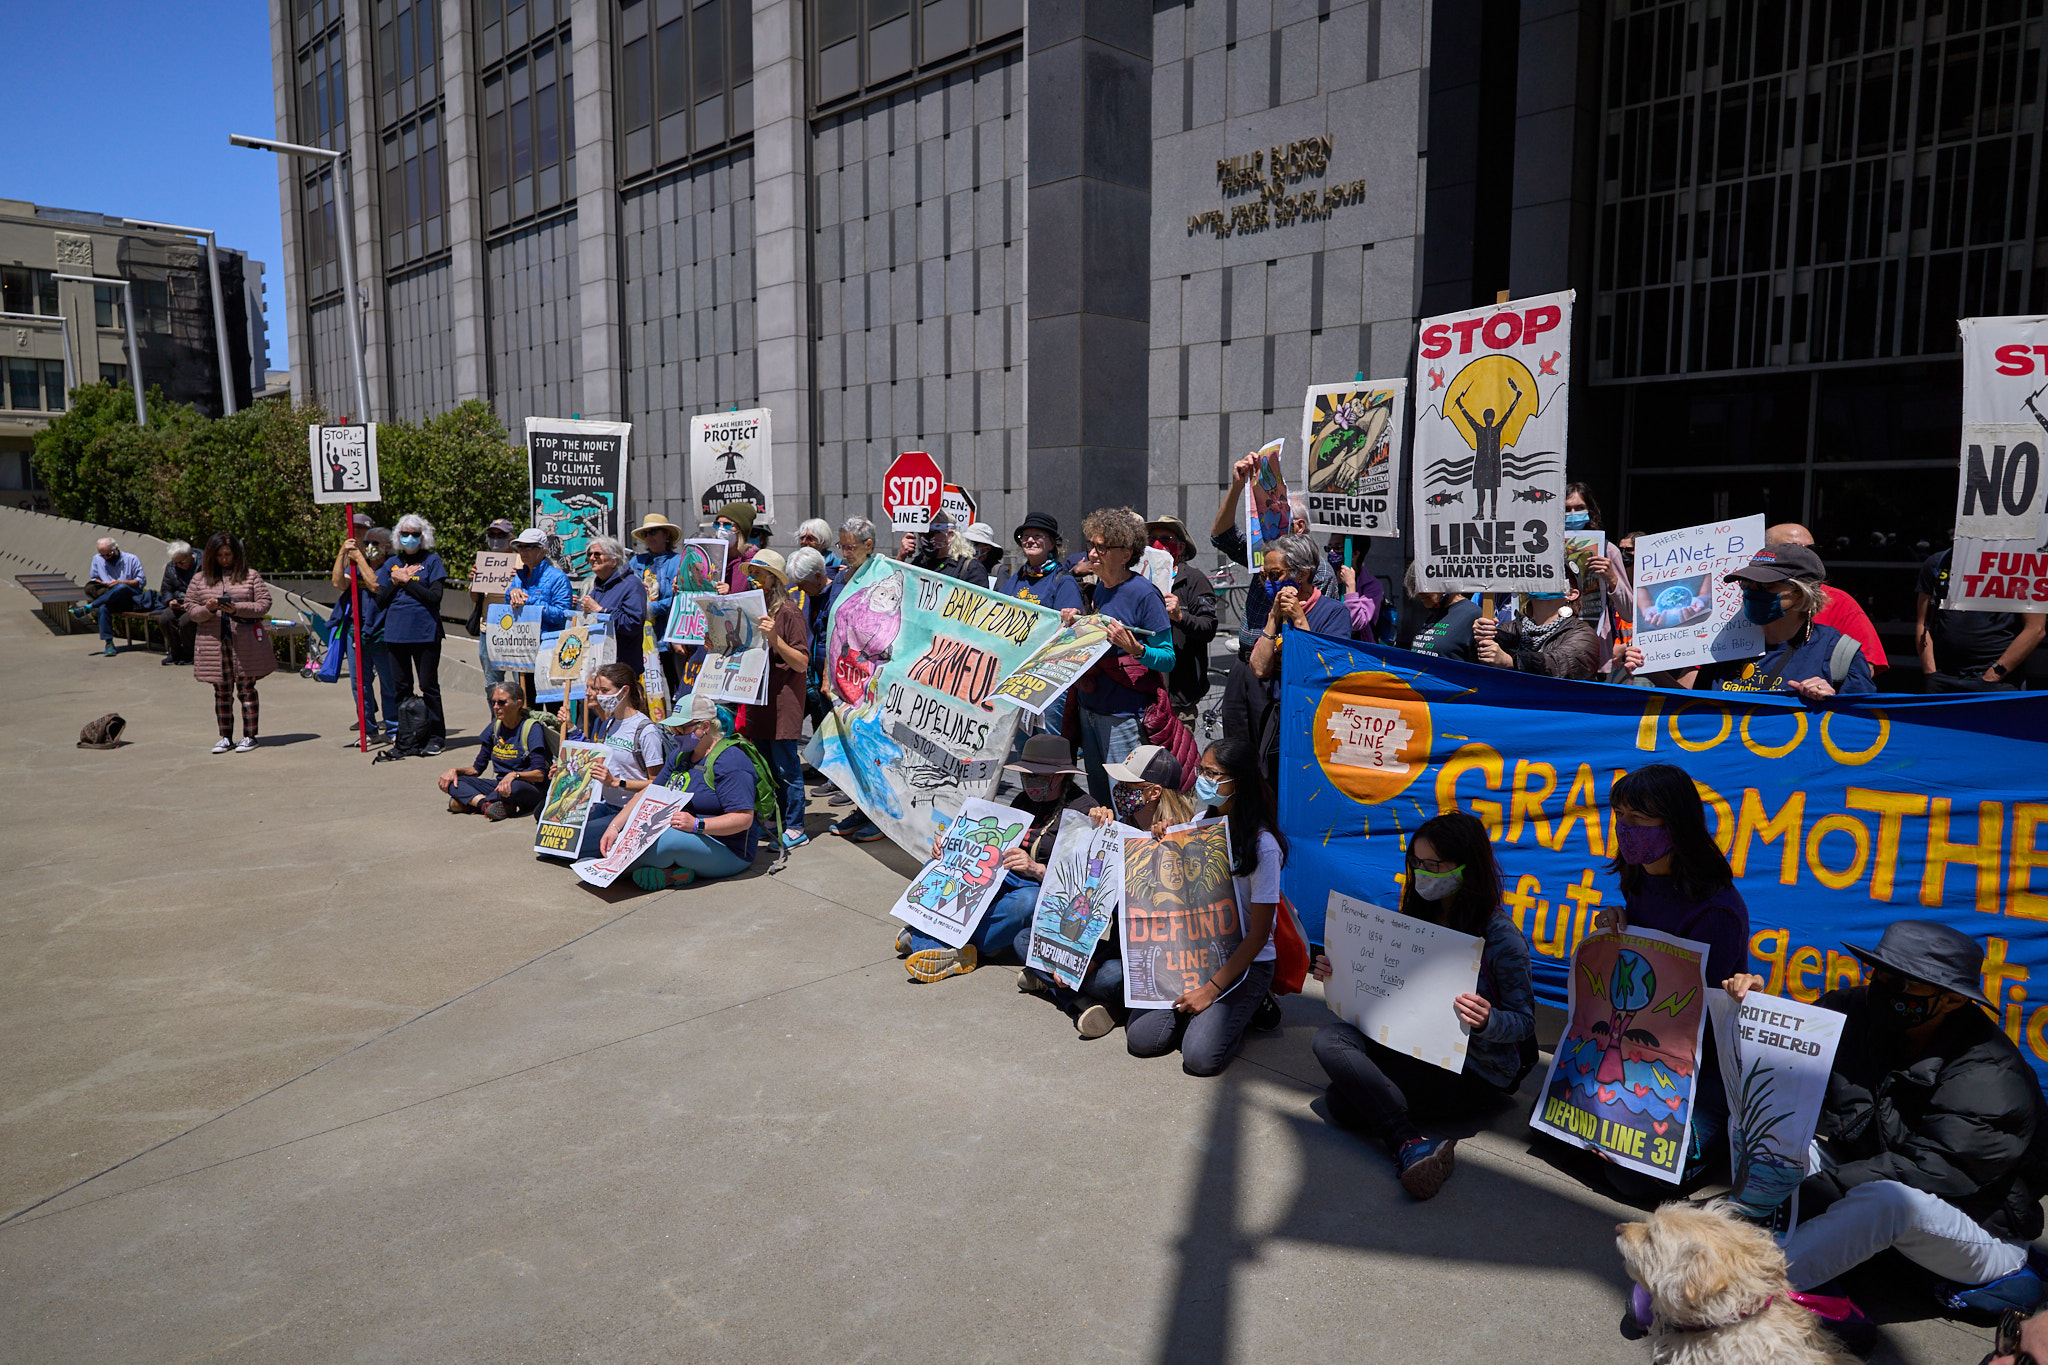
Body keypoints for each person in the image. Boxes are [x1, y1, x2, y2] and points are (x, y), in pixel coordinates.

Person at [1726, 921, 2048, 1302]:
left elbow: (1927, 1172)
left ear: (1953, 1000)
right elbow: (1787, 1064)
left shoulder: (1991, 1074)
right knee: (1752, 1123)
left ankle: (1741, 1291)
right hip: (1867, 1184)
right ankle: (1792, 1260)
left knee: (1889, 1202)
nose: (1880, 987)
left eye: (1901, 983)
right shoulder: (1853, 1011)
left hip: (1977, 1225)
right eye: (1878, 971)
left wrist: (1813, 1191)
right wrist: (1756, 1008)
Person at [1310, 809, 1536, 1199]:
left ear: (1467, 867)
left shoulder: (1501, 935)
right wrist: (1339, 970)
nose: (1424, 873)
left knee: (1342, 1103)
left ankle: (1405, 1141)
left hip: (1471, 1067)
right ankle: (1410, 1140)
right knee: (1329, 1040)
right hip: (1412, 1042)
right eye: (1417, 862)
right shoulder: (1415, 915)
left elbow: (1524, 1022)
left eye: (1435, 864)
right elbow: (1387, 983)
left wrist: (1486, 1020)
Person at [1587, 761, 1750, 1199]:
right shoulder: (1639, 877)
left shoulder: (1716, 910)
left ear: (1675, 825)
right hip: (1639, 1047)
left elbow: (1698, 1019)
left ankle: (1712, 1146)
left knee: (1633, 1177)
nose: (1624, 828)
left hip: (1701, 1070)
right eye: (1619, 816)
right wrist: (1619, 921)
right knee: (1556, 1130)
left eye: (1638, 819)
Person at [1010, 740, 1195, 1035]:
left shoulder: (1184, 836)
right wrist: (1094, 829)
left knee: (1112, 977)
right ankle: (1082, 1001)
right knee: (1025, 940)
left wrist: (1090, 961)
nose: (1118, 790)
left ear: (1153, 792)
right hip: (1109, 946)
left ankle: (1071, 993)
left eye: (1128, 784)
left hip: (1154, 957)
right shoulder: (1119, 827)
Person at [1125, 738, 1282, 1076]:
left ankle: (1249, 1007)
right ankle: (1206, 1013)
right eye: (1201, 770)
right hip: (1193, 952)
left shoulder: (1262, 846)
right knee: (1142, 1039)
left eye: (1212, 773)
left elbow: (1257, 937)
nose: (1202, 779)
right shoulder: (1200, 821)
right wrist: (1163, 838)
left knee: (1199, 1058)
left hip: (1246, 962)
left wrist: (1211, 990)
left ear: (1238, 781)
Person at [900, 734, 1101, 984]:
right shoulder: (1023, 799)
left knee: (1028, 901)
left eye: (1035, 775)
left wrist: (1037, 869)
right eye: (1025, 774)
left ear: (1059, 776)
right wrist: (950, 847)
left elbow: (1082, 881)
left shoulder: (1084, 811)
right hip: (1001, 875)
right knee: (936, 867)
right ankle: (937, 939)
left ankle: (930, 936)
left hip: (1040, 886)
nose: (1028, 781)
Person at [1621, 544, 1875, 698]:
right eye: (1747, 583)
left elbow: (1863, 730)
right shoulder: (1725, 643)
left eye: (1765, 585)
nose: (1751, 591)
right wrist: (1652, 671)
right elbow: (1695, 709)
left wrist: (1829, 698)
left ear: (1801, 594)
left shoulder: (1839, 653)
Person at [1067, 506, 1178, 804]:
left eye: (1102, 547)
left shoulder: (1145, 594)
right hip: (1090, 709)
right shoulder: (1100, 590)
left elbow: (1168, 658)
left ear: (1126, 553)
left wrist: (1136, 649)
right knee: (1101, 801)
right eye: (1091, 545)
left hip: (1123, 716)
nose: (1092, 553)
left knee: (1125, 801)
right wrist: (1077, 624)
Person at [622, 693, 766, 889]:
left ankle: (616, 869)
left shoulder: (731, 761)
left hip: (730, 850)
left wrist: (697, 824)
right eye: (673, 727)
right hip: (689, 836)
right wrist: (615, 828)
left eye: (681, 728)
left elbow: (743, 818)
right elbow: (650, 793)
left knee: (671, 841)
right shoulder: (680, 755)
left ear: (705, 727)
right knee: (637, 833)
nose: (675, 734)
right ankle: (674, 872)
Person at [1211, 450, 1338, 652]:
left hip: (1281, 668)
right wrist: (1237, 486)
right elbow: (1222, 537)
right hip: (1248, 665)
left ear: (1299, 526)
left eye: (1277, 518)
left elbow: (1322, 639)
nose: (1268, 525)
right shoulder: (1263, 552)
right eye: (1264, 575)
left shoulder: (1320, 572)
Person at [739, 549, 812, 850]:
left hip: (783, 699)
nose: (752, 579)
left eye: (758, 573)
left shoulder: (790, 613)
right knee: (766, 765)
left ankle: (795, 826)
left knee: (786, 765)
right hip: (760, 698)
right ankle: (777, 816)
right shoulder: (754, 610)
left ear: (773, 578)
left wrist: (776, 640)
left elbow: (801, 663)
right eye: (751, 573)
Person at [559, 661, 667, 859]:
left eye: (605, 690)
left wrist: (617, 783)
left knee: (568, 844)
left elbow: (657, 784)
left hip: (630, 811)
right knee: (553, 835)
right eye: (597, 689)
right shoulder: (608, 723)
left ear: (624, 690)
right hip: (606, 805)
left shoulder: (646, 730)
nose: (599, 695)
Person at [186, 532, 275, 754]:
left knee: (246, 689)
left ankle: (250, 736)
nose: (225, 559)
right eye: (220, 555)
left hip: (244, 642)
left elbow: (264, 604)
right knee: (221, 691)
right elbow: (190, 609)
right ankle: (226, 737)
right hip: (213, 643)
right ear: (211, 556)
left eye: (229, 554)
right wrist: (209, 608)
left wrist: (238, 608)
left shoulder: (250, 576)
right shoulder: (199, 579)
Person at [1916, 545, 2046, 691]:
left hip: (1997, 680)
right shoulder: (1939, 563)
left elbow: (2036, 629)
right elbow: (1922, 622)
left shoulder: (2021, 564)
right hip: (1943, 676)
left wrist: (1994, 675)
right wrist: (1930, 672)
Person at [375, 512, 450, 754]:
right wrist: (395, 581)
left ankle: (436, 737)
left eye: (414, 534)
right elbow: (380, 600)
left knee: (429, 686)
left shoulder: (432, 561)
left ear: (422, 537)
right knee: (402, 688)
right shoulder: (391, 563)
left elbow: (434, 597)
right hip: (396, 635)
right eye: (404, 534)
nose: (409, 538)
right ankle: (407, 737)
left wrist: (408, 581)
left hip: (425, 633)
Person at [1767, 523, 1888, 670]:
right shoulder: (1743, 599)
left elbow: (1865, 666)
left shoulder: (1838, 601)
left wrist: (1826, 685)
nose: (1804, 556)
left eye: (1811, 550)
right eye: (1792, 548)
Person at [437, 682, 550, 819]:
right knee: (454, 782)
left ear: (518, 704)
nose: (496, 707)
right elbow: (477, 769)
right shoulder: (494, 727)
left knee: (514, 788)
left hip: (526, 786)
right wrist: (455, 771)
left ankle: (472, 802)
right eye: (493, 702)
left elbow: (540, 774)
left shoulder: (531, 728)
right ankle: (486, 805)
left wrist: (515, 775)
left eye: (502, 703)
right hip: (500, 786)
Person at [1472, 563, 1603, 679]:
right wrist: (1480, 636)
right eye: (1538, 572)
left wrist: (1512, 661)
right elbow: (1474, 656)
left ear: (1571, 594)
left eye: (1552, 575)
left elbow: (1562, 664)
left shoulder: (1583, 634)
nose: (1543, 578)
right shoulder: (1510, 629)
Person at [1147, 514, 1219, 722]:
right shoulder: (1139, 578)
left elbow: (1208, 628)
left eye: (1166, 538)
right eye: (1153, 539)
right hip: (1144, 693)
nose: (1158, 544)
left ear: (1181, 547)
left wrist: (1180, 616)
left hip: (1179, 694)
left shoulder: (1194, 580)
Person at [329, 526, 398, 740]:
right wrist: (342, 553)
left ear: (386, 547)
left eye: (374, 544)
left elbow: (376, 585)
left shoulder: (392, 564)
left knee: (388, 683)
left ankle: (393, 727)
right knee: (359, 683)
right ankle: (368, 729)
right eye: (366, 543)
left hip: (382, 631)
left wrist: (359, 559)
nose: (369, 548)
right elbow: (338, 583)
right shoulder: (356, 565)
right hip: (356, 629)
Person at [577, 536, 648, 675]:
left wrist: (601, 611)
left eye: (597, 554)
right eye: (589, 554)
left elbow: (633, 623)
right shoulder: (592, 586)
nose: (592, 558)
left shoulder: (631, 584)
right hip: (594, 667)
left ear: (614, 560)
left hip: (621, 670)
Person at [73, 536, 147, 656]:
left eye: (109, 554)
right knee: (103, 607)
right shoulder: (97, 559)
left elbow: (140, 582)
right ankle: (109, 643)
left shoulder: (131, 559)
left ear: (116, 548)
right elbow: (95, 578)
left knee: (121, 588)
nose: (106, 558)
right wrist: (102, 583)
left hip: (129, 595)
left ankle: (90, 607)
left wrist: (121, 582)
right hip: (109, 594)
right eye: (103, 556)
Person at [787, 546, 835, 728]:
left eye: (802, 584)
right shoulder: (814, 595)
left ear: (817, 576)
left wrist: (825, 677)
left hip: (828, 685)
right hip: (813, 680)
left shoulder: (834, 596)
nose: (799, 589)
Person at [1403, 562, 1481, 662]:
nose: (1418, 592)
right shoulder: (1436, 613)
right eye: (1416, 586)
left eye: (1424, 585)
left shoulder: (1473, 614)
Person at [507, 527, 574, 628]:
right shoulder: (518, 577)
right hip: (520, 639)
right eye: (520, 547)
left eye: (528, 547)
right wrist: (511, 594)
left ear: (543, 551)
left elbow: (562, 615)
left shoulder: (558, 578)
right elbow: (506, 609)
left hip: (547, 641)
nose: (523, 551)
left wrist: (529, 601)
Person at [906, 514, 989, 586]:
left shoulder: (970, 567)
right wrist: (901, 557)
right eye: (921, 534)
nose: (924, 539)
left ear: (950, 535)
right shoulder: (919, 563)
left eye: (930, 534)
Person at [153, 541, 199, 666]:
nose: (178, 565)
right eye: (176, 562)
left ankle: (189, 654)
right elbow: (166, 588)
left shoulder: (203, 564)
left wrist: (193, 603)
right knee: (165, 619)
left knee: (186, 622)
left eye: (181, 562)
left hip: (198, 603)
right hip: (179, 602)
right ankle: (175, 652)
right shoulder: (171, 567)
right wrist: (170, 600)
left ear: (190, 555)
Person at [711, 502, 760, 593]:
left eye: (727, 525)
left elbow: (754, 601)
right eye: (717, 524)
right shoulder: (712, 559)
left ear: (741, 530)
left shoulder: (752, 564)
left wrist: (730, 594)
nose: (721, 529)